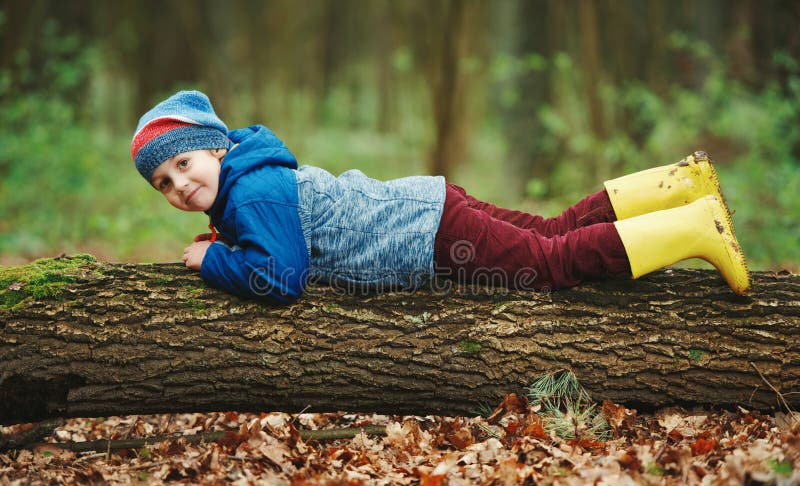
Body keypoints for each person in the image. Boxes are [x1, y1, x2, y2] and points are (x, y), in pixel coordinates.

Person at [130, 90, 750, 304]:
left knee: (548, 265)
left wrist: (213, 260)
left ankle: (695, 229)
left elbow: (283, 278)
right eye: (165, 184)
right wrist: (226, 238)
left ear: (214, 147)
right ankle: (683, 181)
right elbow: (278, 231)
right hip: (428, 206)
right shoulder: (250, 175)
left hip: (428, 236)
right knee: (552, 226)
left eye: (183, 163)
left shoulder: (250, 195)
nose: (180, 185)